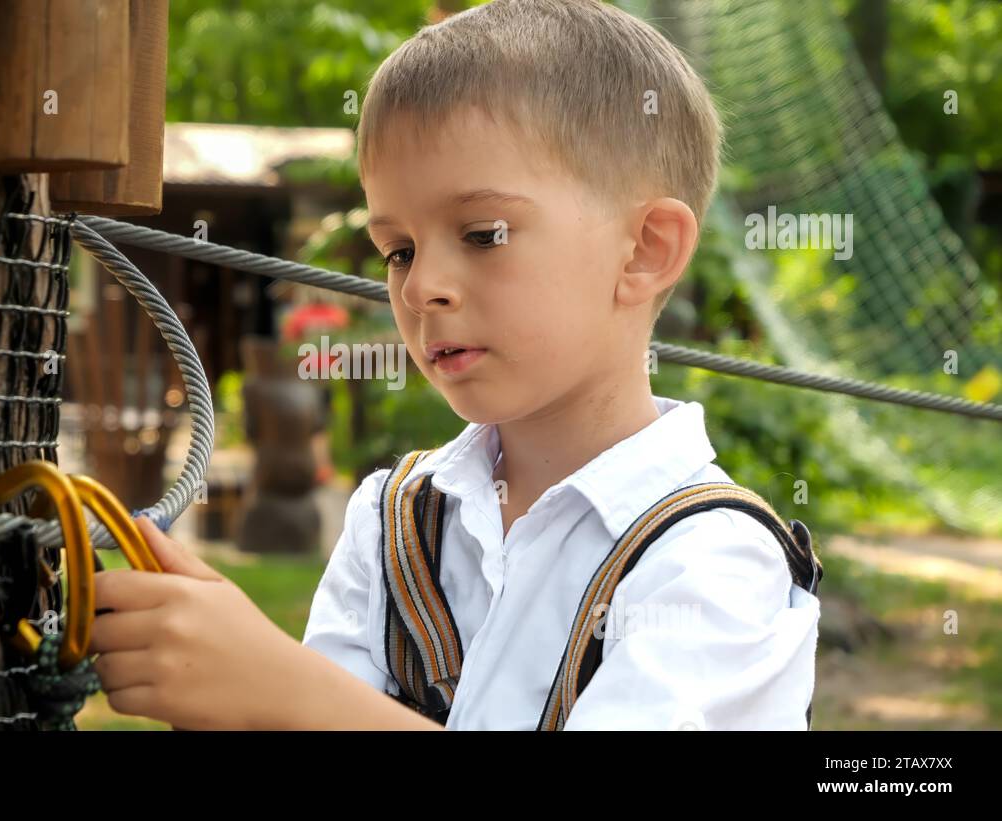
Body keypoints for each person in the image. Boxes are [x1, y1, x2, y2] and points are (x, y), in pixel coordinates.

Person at [88, 0, 821, 730]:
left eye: (481, 233)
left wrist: (280, 689)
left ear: (646, 250)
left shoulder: (712, 562)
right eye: (399, 248)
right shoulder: (391, 519)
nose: (419, 286)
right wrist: (221, 682)